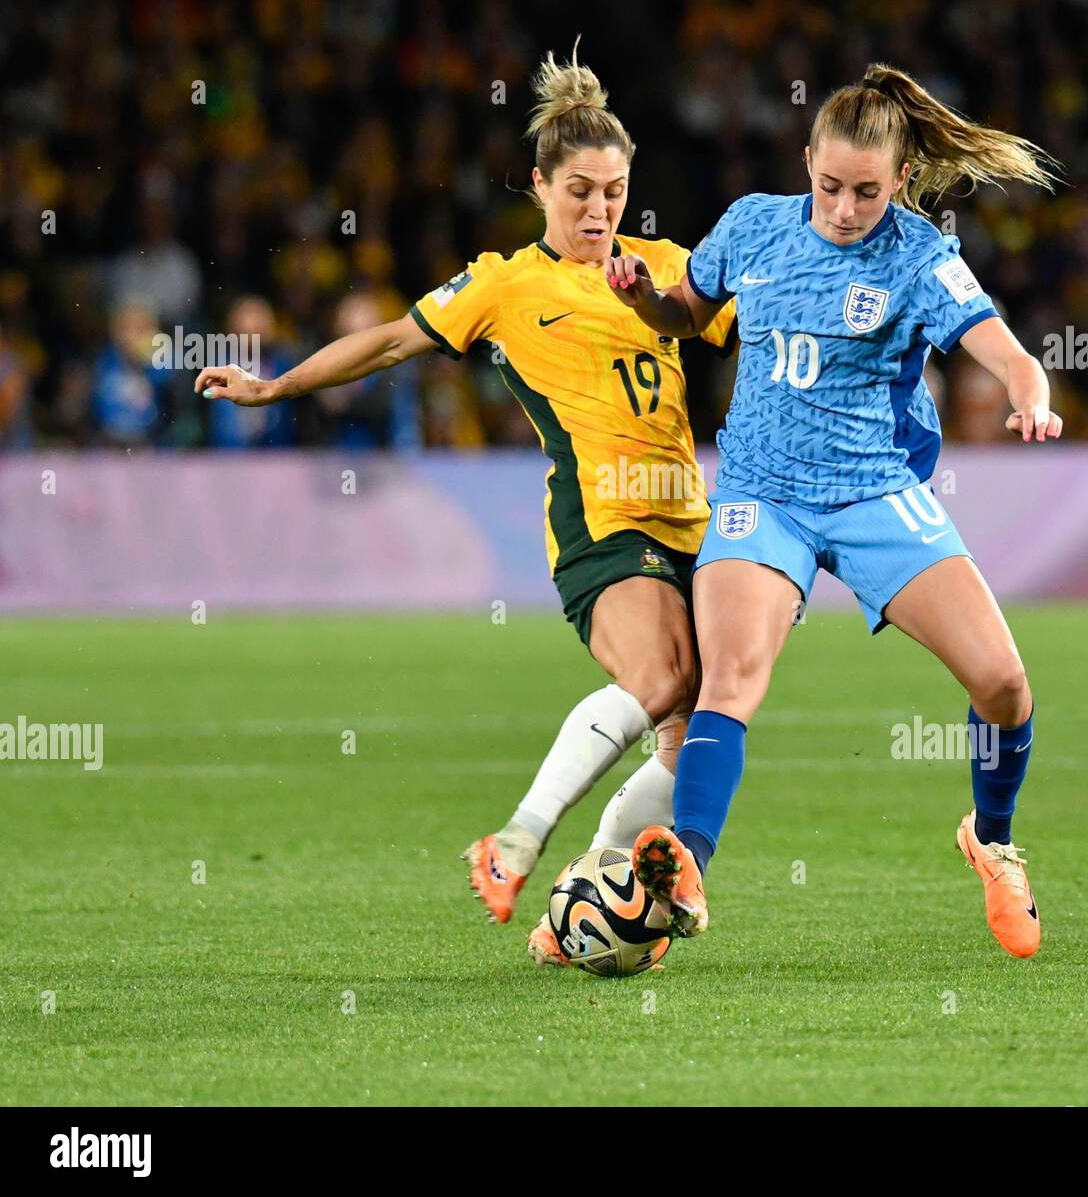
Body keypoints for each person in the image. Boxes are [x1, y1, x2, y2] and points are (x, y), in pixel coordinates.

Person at [194, 48, 735, 965]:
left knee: (695, 729)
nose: (598, 211)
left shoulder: (664, 267)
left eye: (612, 191)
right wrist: (276, 387)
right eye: (578, 191)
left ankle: (586, 902)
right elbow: (392, 342)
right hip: (604, 528)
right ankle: (518, 838)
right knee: (658, 684)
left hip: (695, 525)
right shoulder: (504, 283)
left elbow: (753, 327)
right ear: (538, 185)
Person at [605, 64, 1061, 959]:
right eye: (830, 185)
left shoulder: (920, 256)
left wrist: (1029, 395)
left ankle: (993, 839)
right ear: (806, 158)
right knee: (731, 678)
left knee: (1004, 685)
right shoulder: (752, 226)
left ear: (898, 183)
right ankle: (687, 868)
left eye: (866, 192)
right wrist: (644, 300)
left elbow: (1006, 352)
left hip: (873, 493)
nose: (845, 208)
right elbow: (686, 315)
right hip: (762, 495)